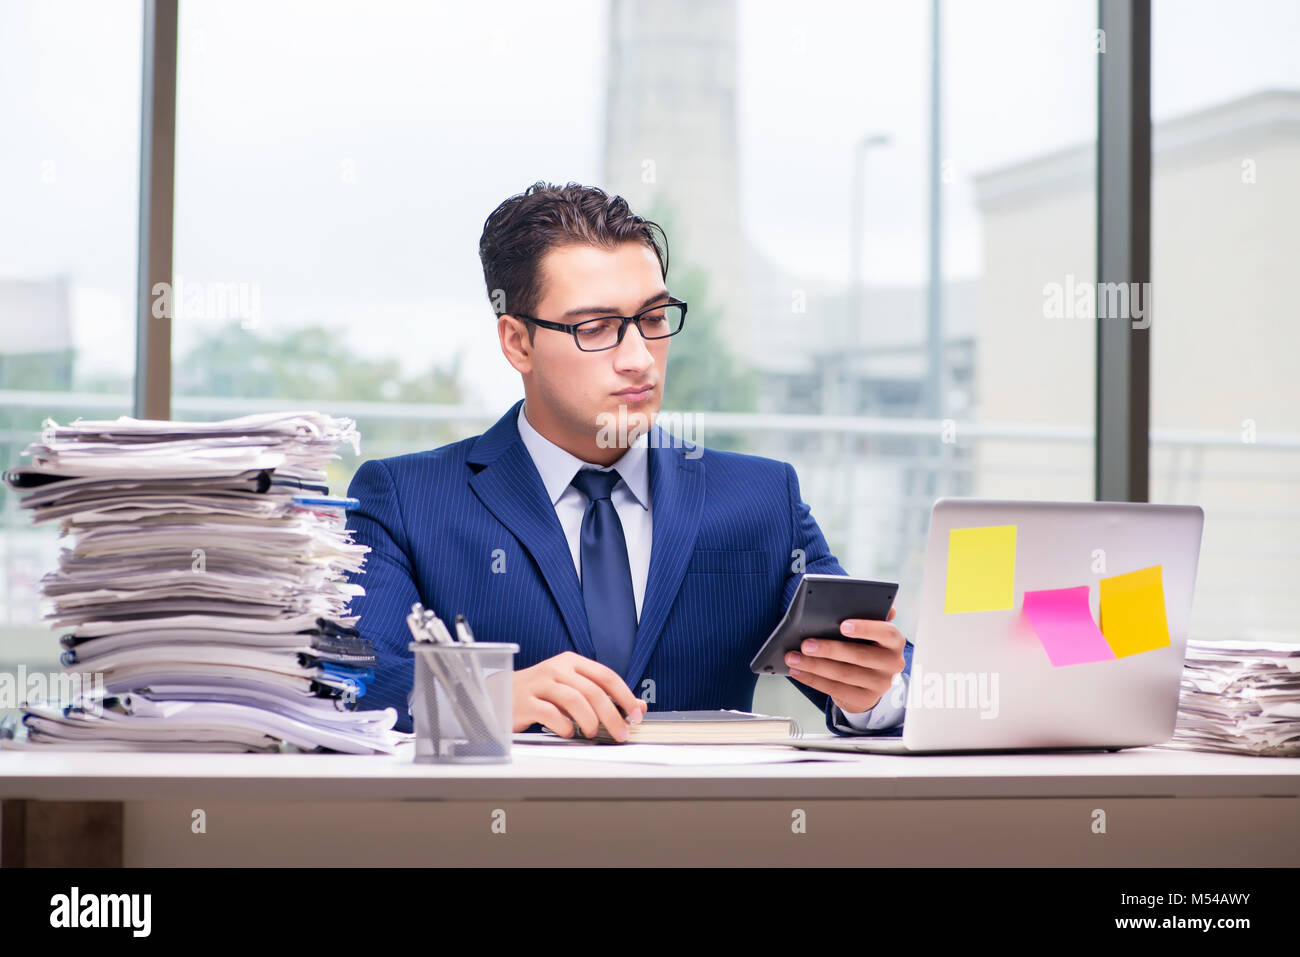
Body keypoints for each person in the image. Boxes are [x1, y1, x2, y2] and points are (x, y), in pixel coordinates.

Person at [344, 181, 912, 739]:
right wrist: (485, 695)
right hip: (508, 825)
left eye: (655, 319)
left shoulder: (761, 497)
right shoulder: (406, 498)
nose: (640, 359)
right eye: (596, 328)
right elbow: (348, 680)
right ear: (518, 343)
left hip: (703, 827)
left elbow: (882, 664)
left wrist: (877, 689)